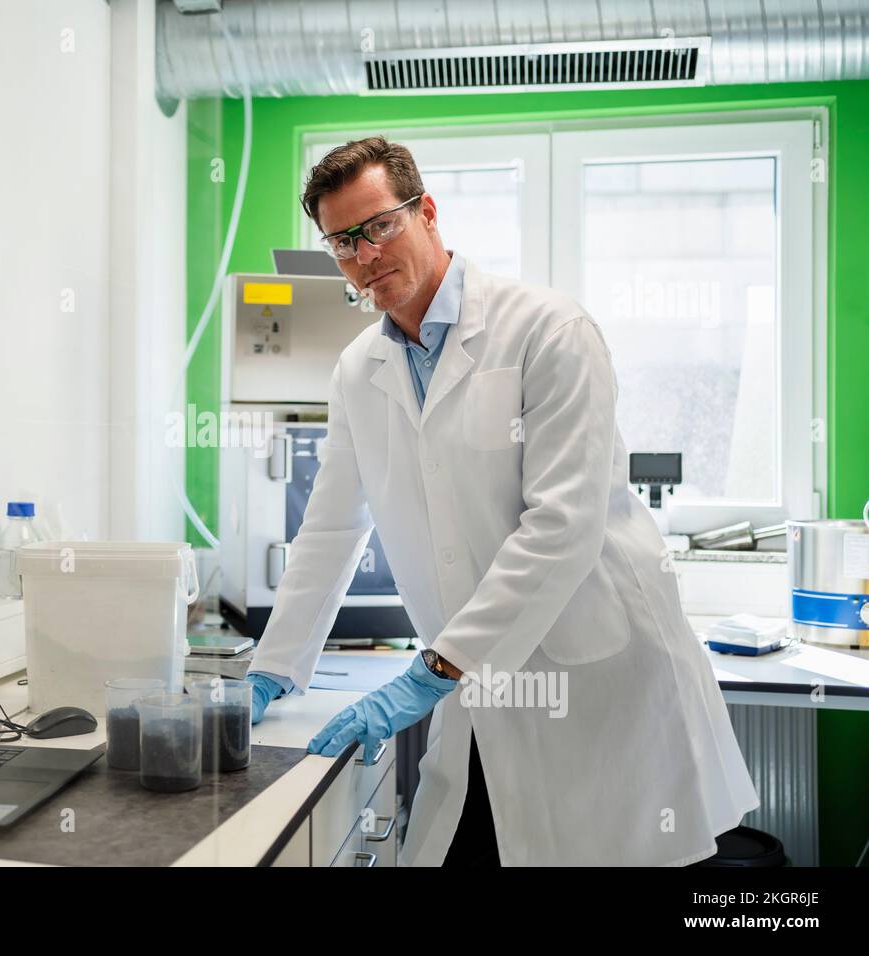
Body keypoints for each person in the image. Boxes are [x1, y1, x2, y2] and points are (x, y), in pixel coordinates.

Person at [243, 136, 758, 866]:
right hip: (475, 686)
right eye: (343, 241)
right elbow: (329, 527)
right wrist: (274, 667)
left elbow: (563, 527)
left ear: (426, 212)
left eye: (380, 225)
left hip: (600, 684)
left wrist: (435, 670)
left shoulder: (549, 330)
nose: (365, 255)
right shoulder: (361, 370)